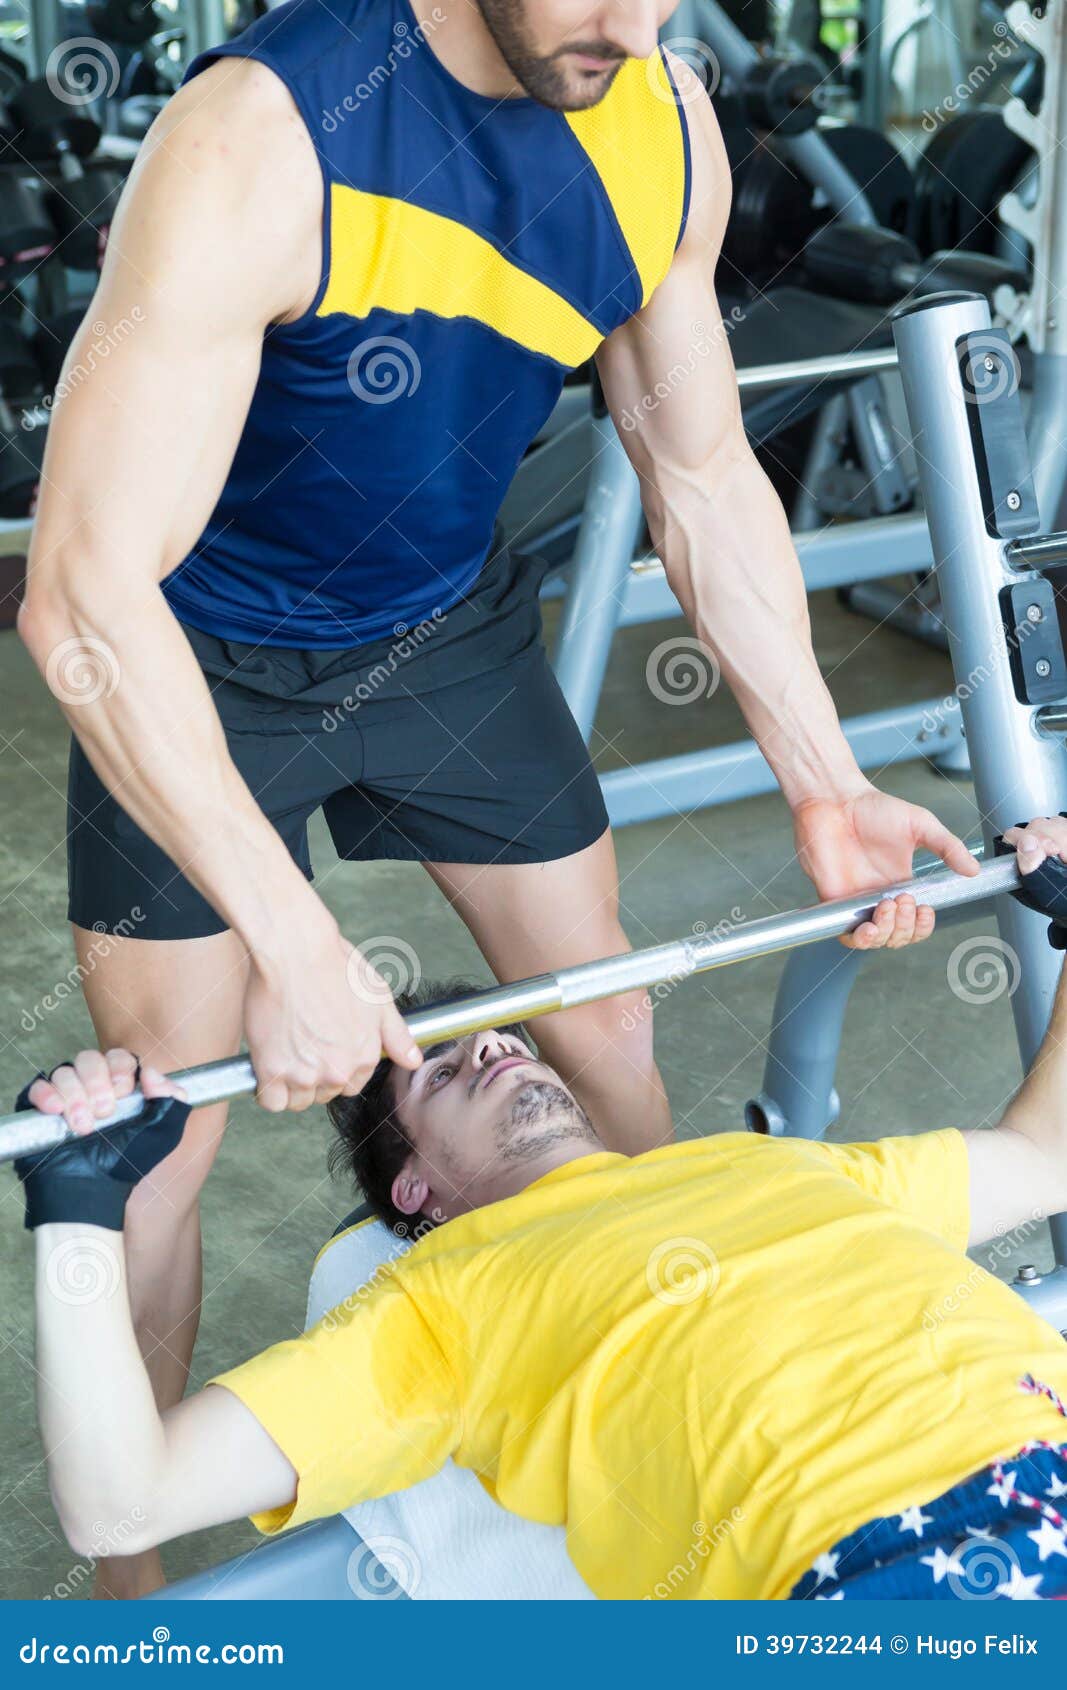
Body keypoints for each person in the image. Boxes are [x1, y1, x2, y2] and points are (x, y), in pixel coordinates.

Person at [17, 0, 975, 1595]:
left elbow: (695, 466)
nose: (630, 24)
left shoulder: (659, 125)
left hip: (448, 635)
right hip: (196, 653)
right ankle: (146, 1606)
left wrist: (823, 777)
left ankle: (670, 1358)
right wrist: (292, 936)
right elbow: (80, 597)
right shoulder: (261, 138)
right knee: (155, 1160)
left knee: (602, 1028)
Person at [20, 823, 1067, 1601]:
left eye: (502, 1037)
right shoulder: (436, 1306)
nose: (493, 1045)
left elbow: (1042, 1154)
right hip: (881, 1563)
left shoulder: (775, 1167)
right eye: (437, 1072)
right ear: (413, 1190)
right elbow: (122, 1499)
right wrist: (79, 1202)